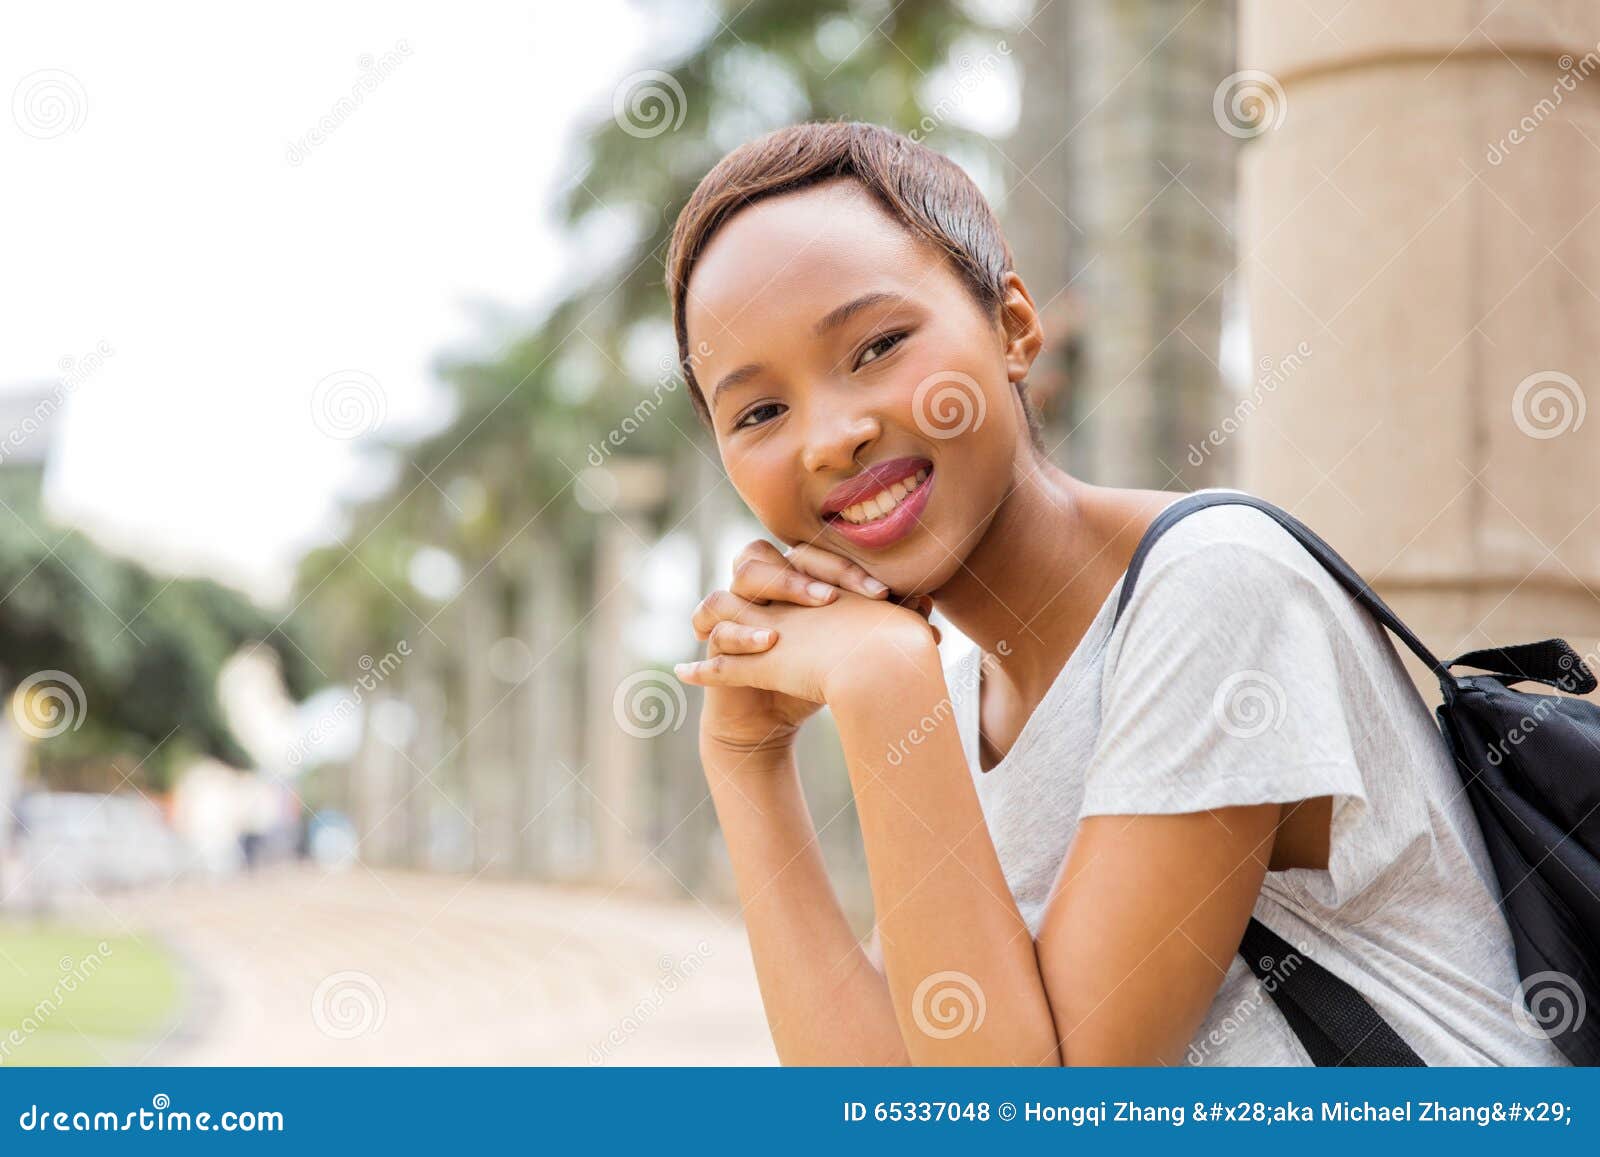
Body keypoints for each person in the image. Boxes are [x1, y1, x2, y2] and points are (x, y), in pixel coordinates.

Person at [666, 121, 1564, 1066]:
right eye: (760, 410)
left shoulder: (1216, 587)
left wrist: (885, 681)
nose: (830, 437)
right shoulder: (954, 709)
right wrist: (746, 762)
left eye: (879, 344)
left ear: (1014, 327)